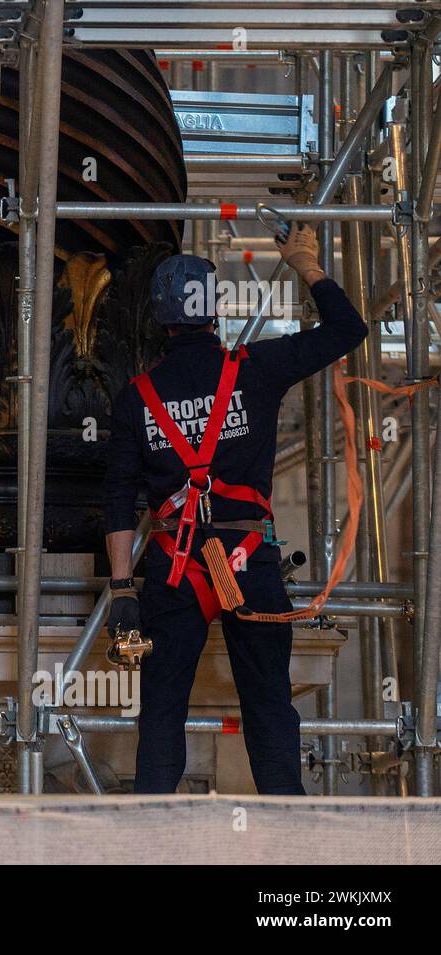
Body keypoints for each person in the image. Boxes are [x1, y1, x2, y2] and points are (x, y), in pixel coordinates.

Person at [102, 225, 367, 794]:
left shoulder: (137, 397)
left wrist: (123, 588)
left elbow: (119, 498)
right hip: (250, 559)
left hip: (175, 567)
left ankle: (149, 840)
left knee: (163, 711)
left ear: (160, 320)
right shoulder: (257, 369)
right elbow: (349, 329)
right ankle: (291, 844)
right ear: (213, 313)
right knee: (268, 705)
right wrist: (305, 266)